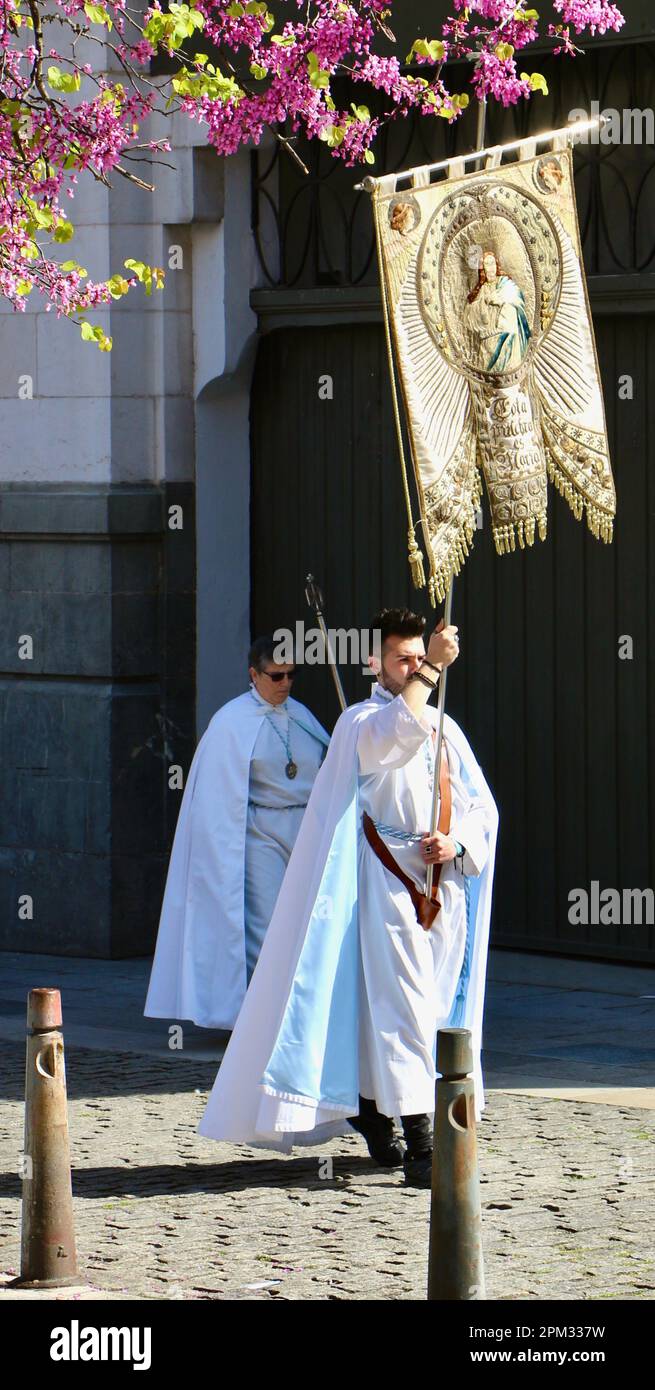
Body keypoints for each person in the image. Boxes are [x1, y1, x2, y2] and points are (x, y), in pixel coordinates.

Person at [198, 609, 498, 1187]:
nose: (411, 668)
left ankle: (369, 1105)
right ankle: (421, 1145)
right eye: (402, 660)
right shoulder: (361, 722)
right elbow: (394, 738)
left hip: (444, 885)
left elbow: (481, 805)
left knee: (426, 1009)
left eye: (417, 657)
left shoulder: (445, 728)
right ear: (375, 664)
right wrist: (433, 666)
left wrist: (456, 839)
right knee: (405, 1008)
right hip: (385, 884)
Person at [144, 636, 329, 1029]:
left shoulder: (302, 716)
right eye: (275, 675)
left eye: (291, 675)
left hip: (306, 829)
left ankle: (300, 1016)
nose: (284, 683)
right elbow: (215, 800)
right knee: (266, 925)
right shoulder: (231, 722)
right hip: (260, 831)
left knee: (307, 922)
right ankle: (262, 1024)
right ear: (253, 674)